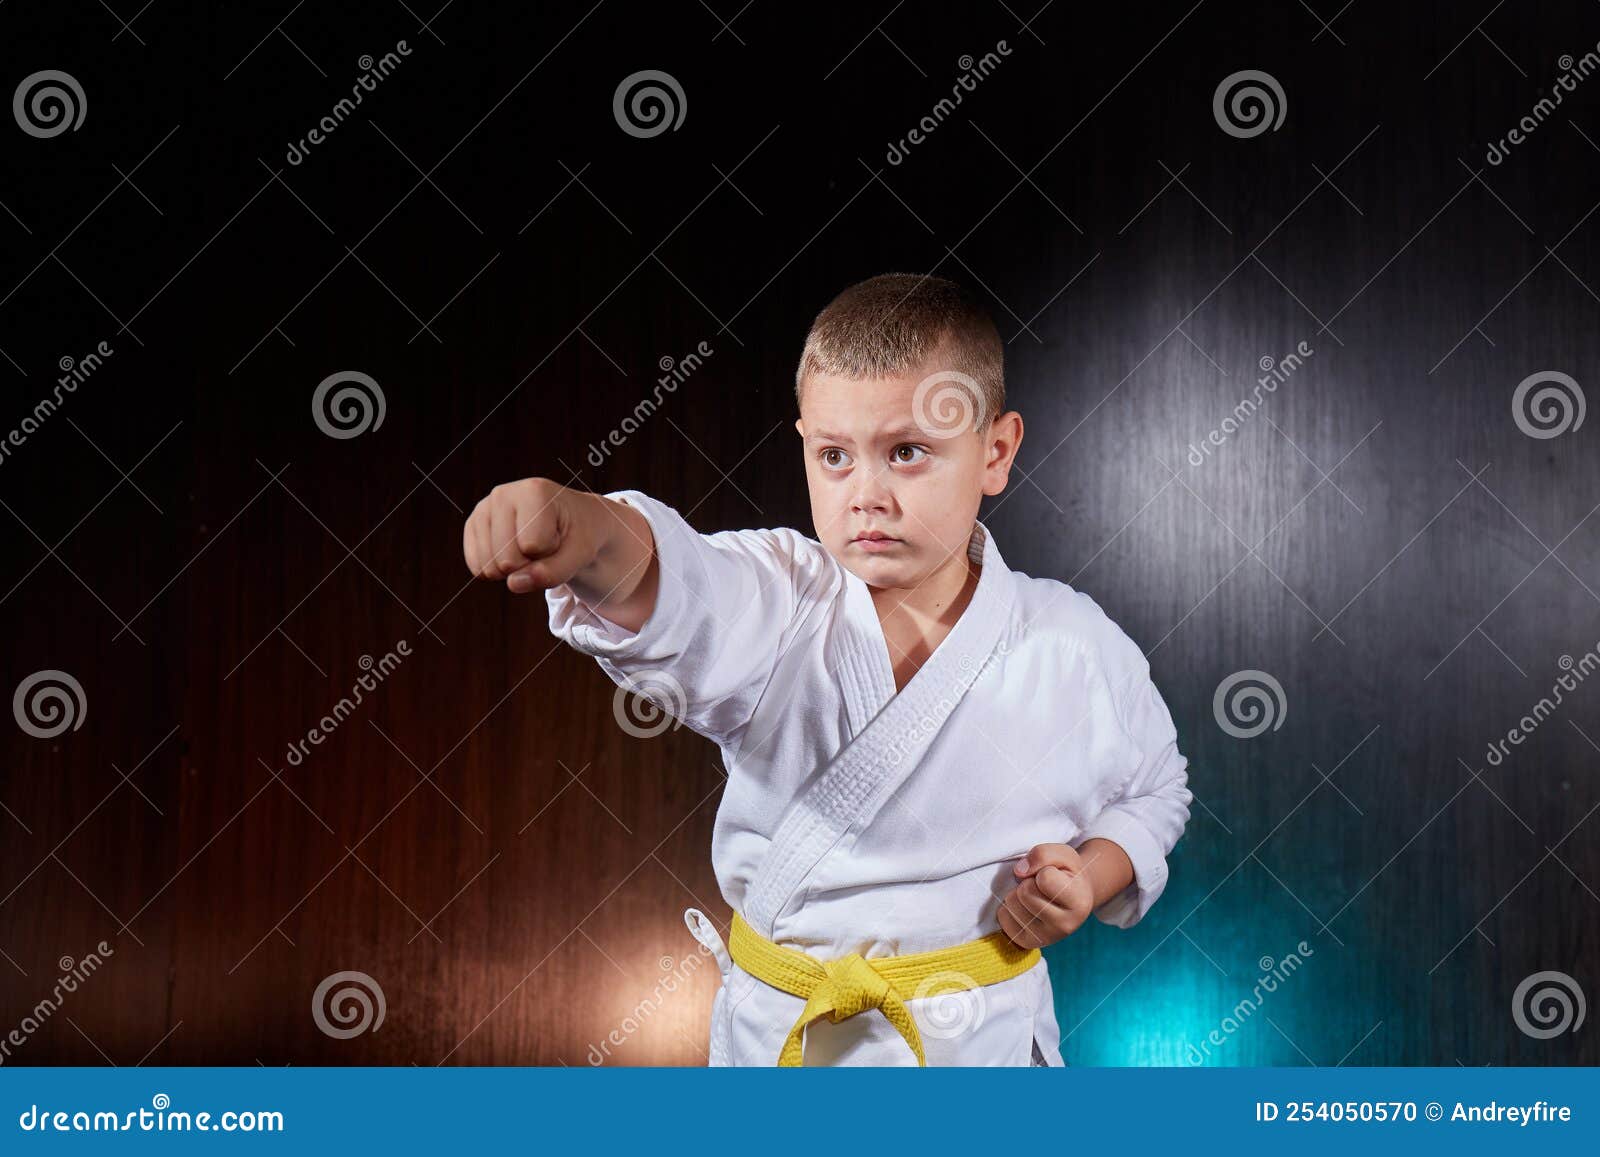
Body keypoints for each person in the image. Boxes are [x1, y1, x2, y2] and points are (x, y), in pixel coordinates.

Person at [461, 273, 1192, 1066]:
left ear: (996, 451)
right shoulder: (782, 596)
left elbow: (1156, 790)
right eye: (834, 455)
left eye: (907, 452)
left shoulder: (1069, 644)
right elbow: (682, 584)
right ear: (804, 441)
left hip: (975, 1042)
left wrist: (1089, 875)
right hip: (788, 1037)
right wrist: (586, 529)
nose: (864, 496)